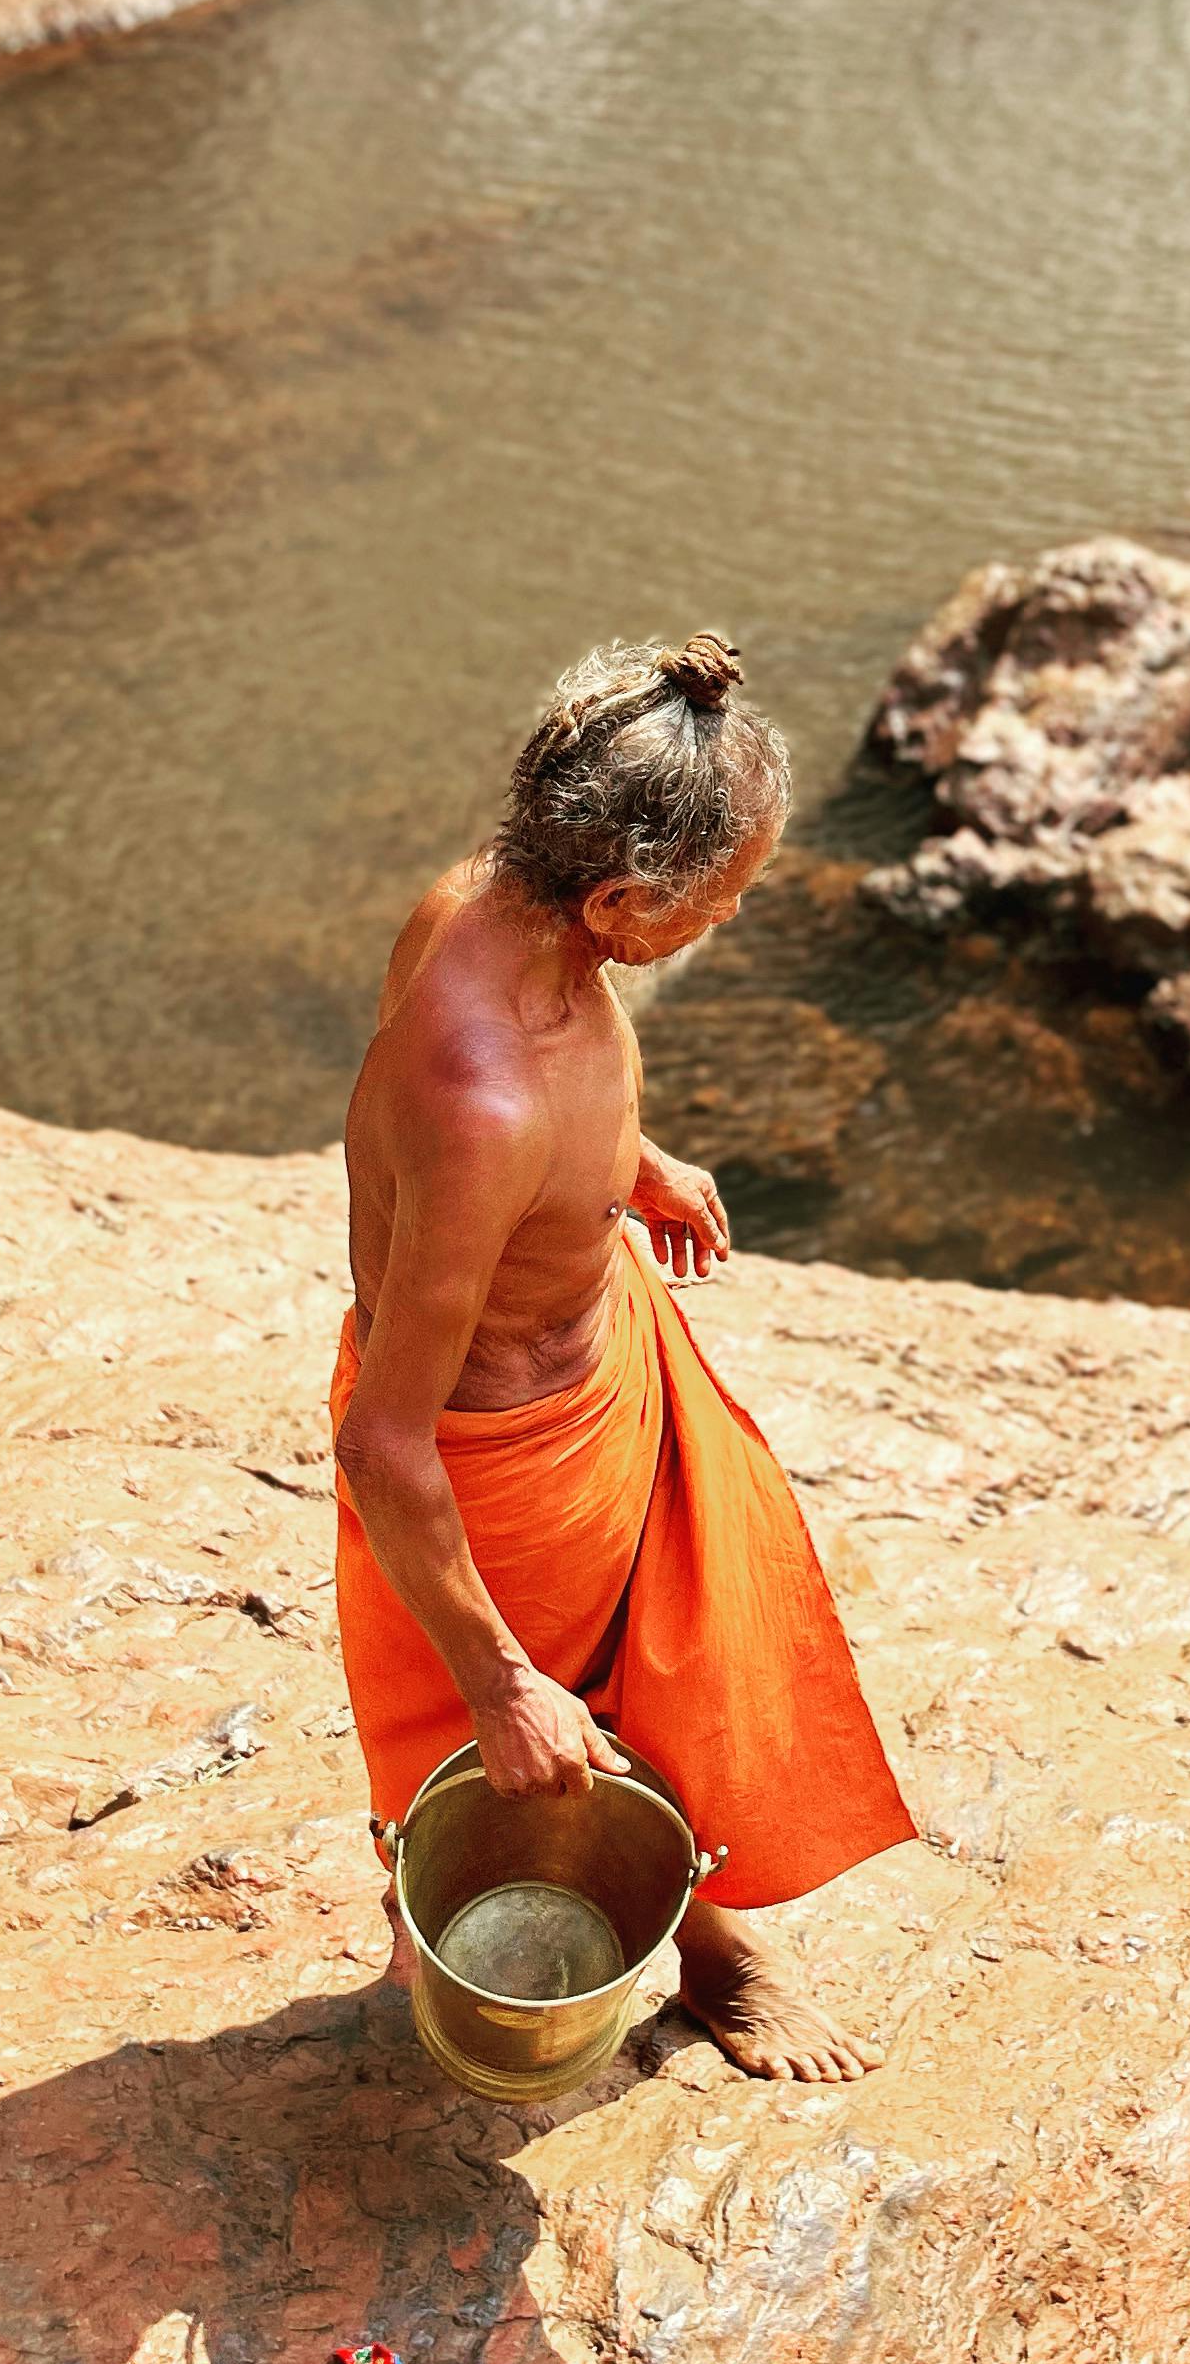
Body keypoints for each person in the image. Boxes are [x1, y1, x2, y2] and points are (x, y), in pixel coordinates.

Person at [331, 631, 915, 2083]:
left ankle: (702, 1936)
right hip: (503, 1460)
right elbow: (384, 1445)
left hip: (606, 1364)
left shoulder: (475, 901)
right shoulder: (482, 1104)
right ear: (617, 896)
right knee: (567, 1726)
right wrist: (494, 1678)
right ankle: (690, 1952)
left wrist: (625, 1165)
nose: (729, 919)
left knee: (677, 1670)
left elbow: (540, 1103)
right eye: (722, 900)